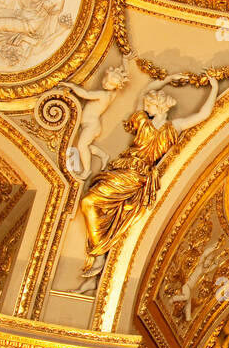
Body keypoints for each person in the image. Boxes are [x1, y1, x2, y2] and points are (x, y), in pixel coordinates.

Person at [77, 74, 219, 289]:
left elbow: (204, 114)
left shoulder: (174, 127)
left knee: (89, 202)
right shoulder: (142, 121)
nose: (145, 107)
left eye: (149, 105)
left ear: (159, 107)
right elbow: (144, 91)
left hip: (137, 175)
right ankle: (101, 254)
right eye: (145, 105)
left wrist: (214, 86)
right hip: (120, 168)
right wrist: (168, 78)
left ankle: (98, 254)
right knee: (93, 204)